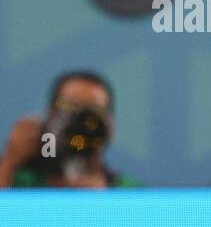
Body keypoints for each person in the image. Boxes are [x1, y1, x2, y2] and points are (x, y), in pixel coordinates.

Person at [0, 71, 137, 188]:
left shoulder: (127, 191)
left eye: (92, 113)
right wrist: (9, 162)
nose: (80, 125)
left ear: (109, 126)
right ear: (50, 115)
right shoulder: (18, 180)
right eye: (69, 108)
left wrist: (102, 204)